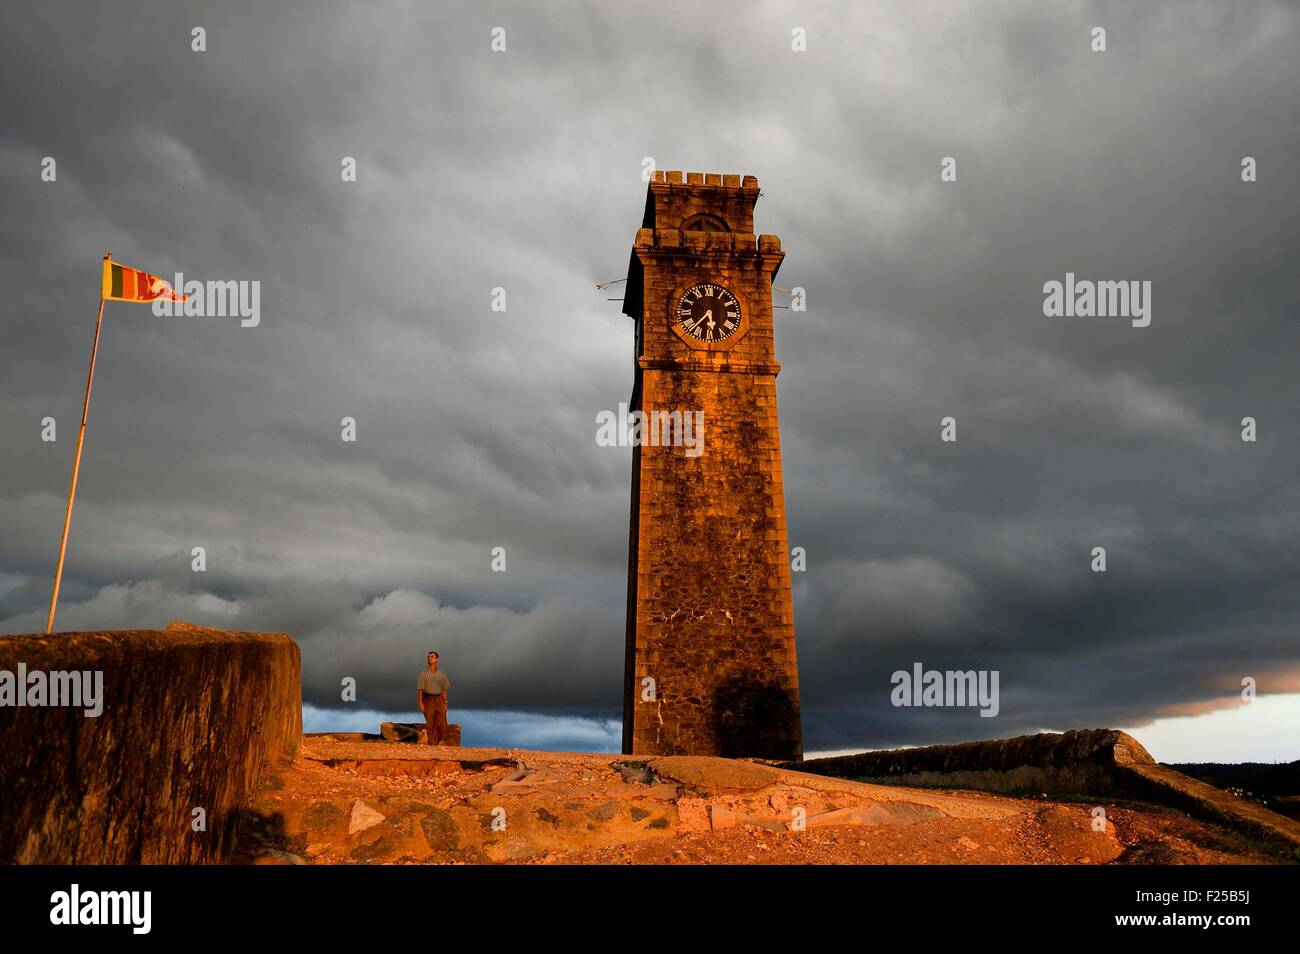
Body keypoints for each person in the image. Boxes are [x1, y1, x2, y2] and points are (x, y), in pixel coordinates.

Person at [417, 650, 451, 746]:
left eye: (432, 657)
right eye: (428, 657)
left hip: (439, 699)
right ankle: (432, 746)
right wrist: (420, 703)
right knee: (431, 725)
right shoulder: (422, 674)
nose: (430, 658)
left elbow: (444, 690)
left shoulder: (442, 674)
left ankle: (435, 743)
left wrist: (446, 703)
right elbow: (420, 690)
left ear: (437, 659)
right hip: (428, 700)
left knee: (443, 726)